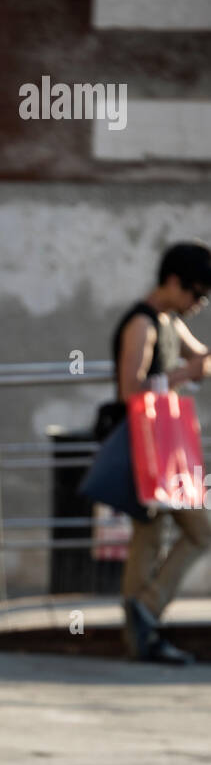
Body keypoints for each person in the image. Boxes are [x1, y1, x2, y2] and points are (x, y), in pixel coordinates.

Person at [116, 240, 211, 663]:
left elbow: (201, 359)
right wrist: (182, 374)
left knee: (150, 537)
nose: (200, 303)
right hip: (146, 446)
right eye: (197, 292)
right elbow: (130, 390)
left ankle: (143, 629)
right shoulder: (144, 323)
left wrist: (193, 368)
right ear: (173, 282)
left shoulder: (169, 321)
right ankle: (147, 616)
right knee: (187, 531)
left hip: (164, 447)